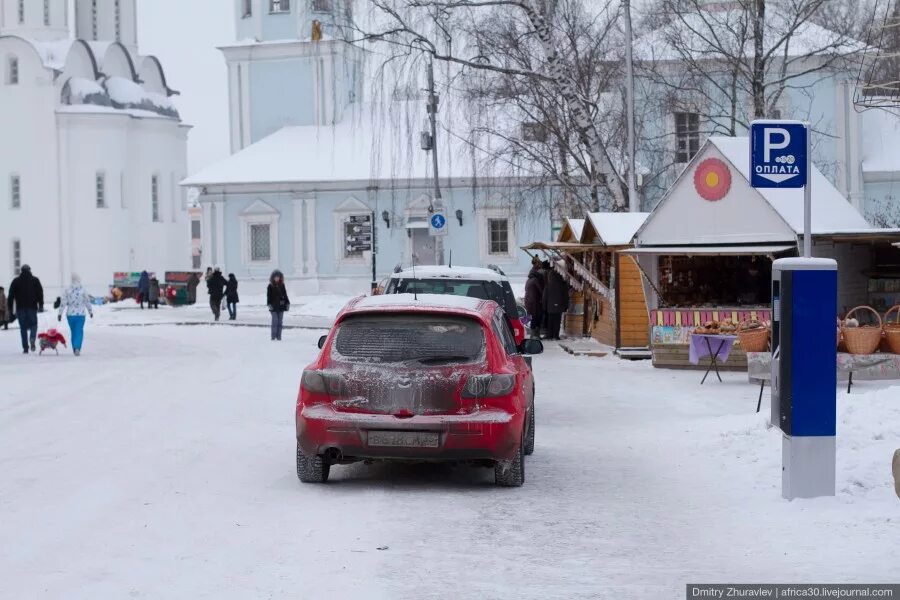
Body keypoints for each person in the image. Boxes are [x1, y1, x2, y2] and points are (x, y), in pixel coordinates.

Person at [7, 264, 44, 353]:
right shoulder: (35, 280)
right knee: (34, 325)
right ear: (29, 270)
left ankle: (25, 348)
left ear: (21, 271)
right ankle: (32, 339)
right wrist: (41, 305)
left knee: (23, 328)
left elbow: (10, 296)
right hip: (32, 308)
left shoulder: (16, 281)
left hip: (20, 309)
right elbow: (40, 293)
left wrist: (10, 309)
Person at [57, 273, 93, 356]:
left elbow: (63, 302)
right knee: (79, 331)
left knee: (73, 331)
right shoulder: (83, 290)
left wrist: (60, 313)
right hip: (81, 315)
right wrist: (90, 311)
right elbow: (87, 301)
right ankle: (77, 347)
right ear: (79, 279)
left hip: (70, 315)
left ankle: (75, 348)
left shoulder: (67, 290)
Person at [542, 259, 570, 341]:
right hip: (559, 306)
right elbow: (565, 296)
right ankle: (556, 335)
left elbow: (544, 297)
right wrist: (565, 306)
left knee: (550, 320)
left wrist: (544, 306)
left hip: (550, 307)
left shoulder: (548, 285)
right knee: (557, 321)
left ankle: (550, 335)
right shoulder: (562, 285)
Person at [524, 257, 545, 339]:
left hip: (530, 302)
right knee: (536, 318)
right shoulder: (536, 280)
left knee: (533, 317)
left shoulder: (529, 279)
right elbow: (541, 291)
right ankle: (534, 335)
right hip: (535, 303)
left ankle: (534, 334)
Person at [267, 270, 290, 341]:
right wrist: (269, 304)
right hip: (273, 307)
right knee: (275, 321)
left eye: (278, 277)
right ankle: (273, 336)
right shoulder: (270, 286)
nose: (277, 278)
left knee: (280, 322)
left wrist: (287, 303)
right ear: (273, 278)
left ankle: (279, 336)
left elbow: (285, 295)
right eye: (275, 277)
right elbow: (268, 296)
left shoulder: (282, 285)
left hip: (281, 306)